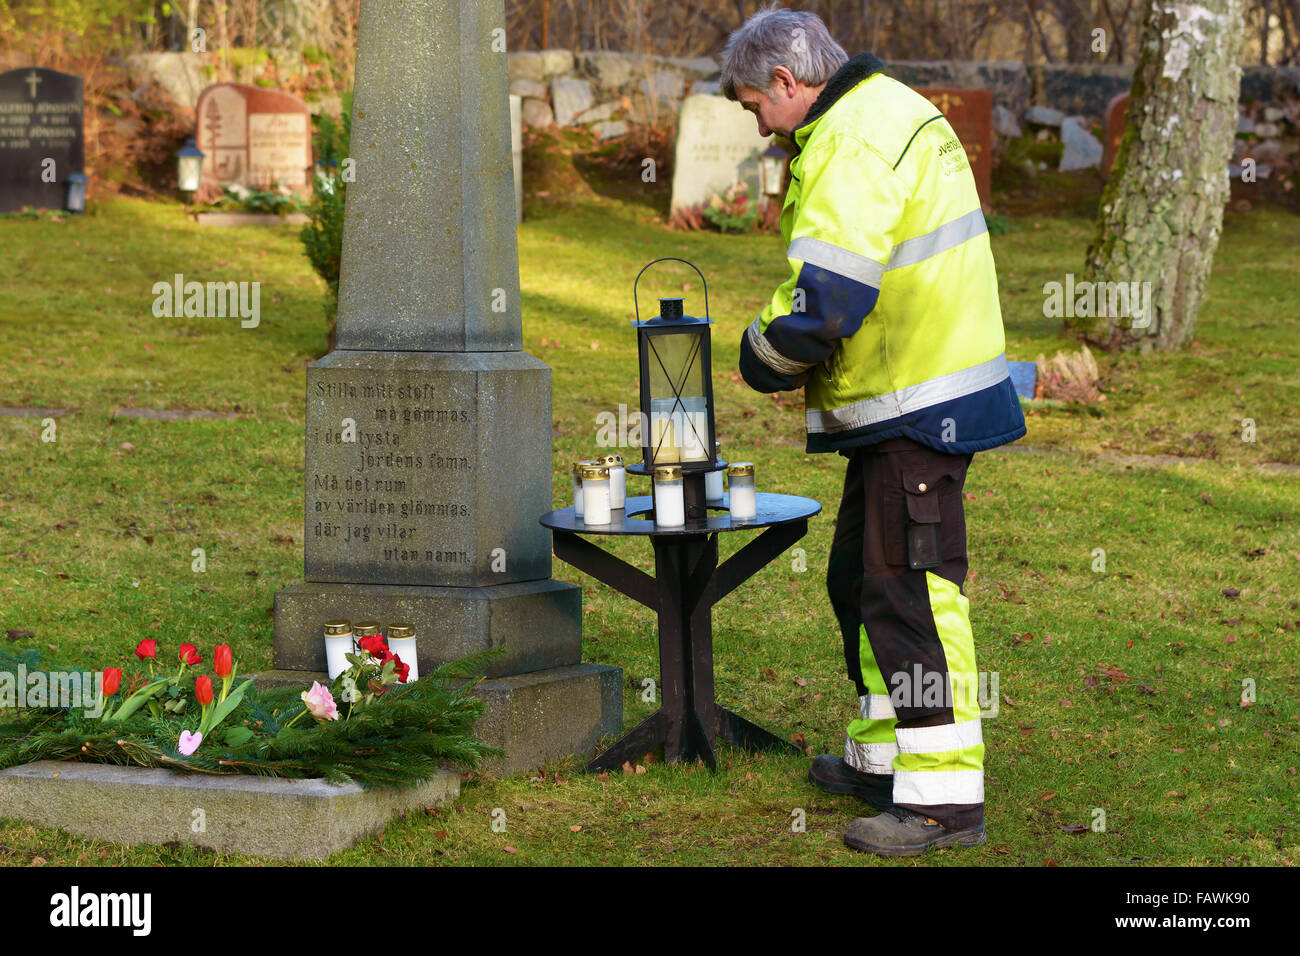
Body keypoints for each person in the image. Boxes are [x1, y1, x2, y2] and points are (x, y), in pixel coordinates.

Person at [722, 6, 1026, 856]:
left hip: (916, 403)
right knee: (860, 577)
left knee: (909, 594)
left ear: (787, 81)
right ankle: (885, 758)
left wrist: (762, 355)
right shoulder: (886, 107)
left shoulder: (849, 140)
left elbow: (828, 298)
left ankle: (941, 801)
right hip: (913, 396)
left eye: (755, 105)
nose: (759, 126)